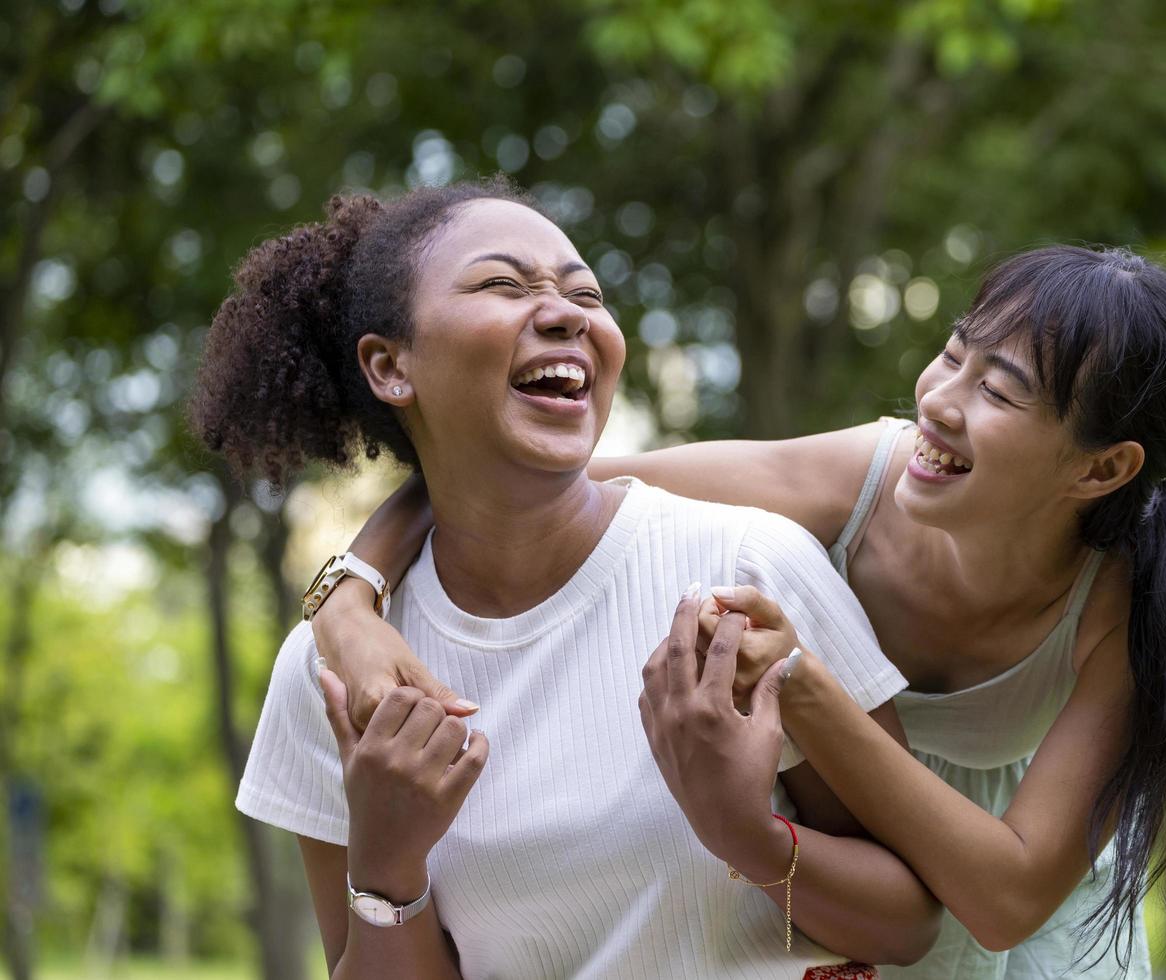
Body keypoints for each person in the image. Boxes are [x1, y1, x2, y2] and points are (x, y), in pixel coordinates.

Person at [314, 243, 1166, 977]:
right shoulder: (856, 479)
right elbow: (528, 480)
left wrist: (801, 684)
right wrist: (348, 596)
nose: (940, 404)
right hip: (836, 902)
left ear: (1101, 468)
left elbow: (1006, 896)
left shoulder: (1163, 581)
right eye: (953, 356)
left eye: (999, 392)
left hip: (1023, 940)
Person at [189, 177, 943, 979]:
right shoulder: (331, 675)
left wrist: (742, 834)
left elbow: (906, 927)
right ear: (389, 365)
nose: (566, 312)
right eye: (502, 285)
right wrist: (385, 869)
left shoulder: (746, 569)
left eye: (586, 292)